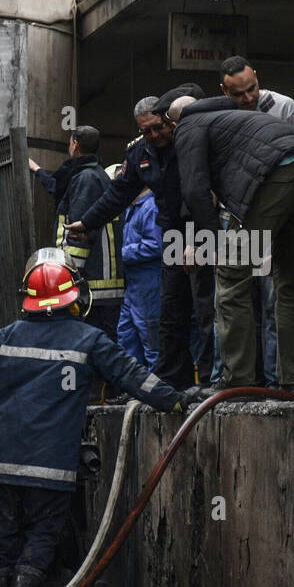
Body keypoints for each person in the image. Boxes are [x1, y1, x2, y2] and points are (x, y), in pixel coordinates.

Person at [0, 248, 189, 587]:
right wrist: (175, 399)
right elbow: (133, 376)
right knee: (41, 534)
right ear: (75, 295)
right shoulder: (89, 340)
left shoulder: (7, 337)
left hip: (3, 461)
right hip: (52, 466)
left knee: (1, 534)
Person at [66, 86, 215, 389]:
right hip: (173, 232)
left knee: (207, 307)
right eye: (146, 131)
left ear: (168, 121)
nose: (154, 135)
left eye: (158, 128)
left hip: (203, 228)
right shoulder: (139, 152)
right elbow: (119, 193)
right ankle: (174, 380)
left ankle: (214, 378)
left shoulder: (189, 140)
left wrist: (201, 239)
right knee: (171, 310)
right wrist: (88, 221)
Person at [170, 94, 294, 388]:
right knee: (291, 283)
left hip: (276, 175)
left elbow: (194, 189)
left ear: (174, 121)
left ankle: (237, 380)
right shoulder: (236, 117)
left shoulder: (189, 125)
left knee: (231, 273)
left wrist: (212, 241)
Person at [29, 125, 121, 337]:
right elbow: (57, 188)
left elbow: (77, 235)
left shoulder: (86, 179)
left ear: (75, 145)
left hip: (92, 284)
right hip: (99, 283)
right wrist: (37, 170)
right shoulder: (91, 175)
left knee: (92, 343)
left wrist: (68, 277)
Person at [118, 183, 163, 368]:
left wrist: (124, 253)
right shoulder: (134, 207)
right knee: (126, 335)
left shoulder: (150, 207)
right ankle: (132, 389)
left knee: (150, 340)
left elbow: (155, 245)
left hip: (148, 286)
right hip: (134, 287)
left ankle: (155, 390)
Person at [219, 56, 294, 133]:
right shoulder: (221, 119)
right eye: (238, 94)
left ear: (255, 76)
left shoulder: (285, 108)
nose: (249, 98)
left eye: (251, 89)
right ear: (224, 90)